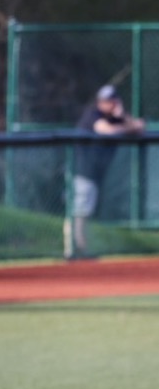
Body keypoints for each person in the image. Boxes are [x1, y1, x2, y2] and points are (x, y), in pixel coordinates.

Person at [66, 85, 146, 261]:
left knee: (86, 211)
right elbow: (106, 130)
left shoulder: (116, 119)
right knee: (80, 211)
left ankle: (81, 249)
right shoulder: (93, 115)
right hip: (84, 172)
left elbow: (139, 128)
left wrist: (123, 116)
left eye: (111, 101)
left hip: (96, 174)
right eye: (104, 101)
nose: (107, 104)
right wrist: (127, 128)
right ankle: (73, 250)